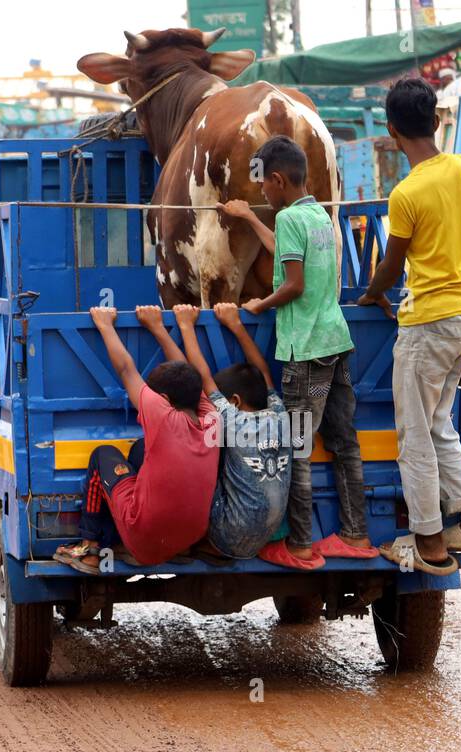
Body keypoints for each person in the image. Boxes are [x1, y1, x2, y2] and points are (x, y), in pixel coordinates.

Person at [356, 78, 461, 575]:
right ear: (436, 122)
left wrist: (372, 293)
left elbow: (391, 264)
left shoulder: (406, 193)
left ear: (391, 130)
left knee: (414, 436)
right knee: (438, 424)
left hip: (427, 324)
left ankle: (428, 541)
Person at [217, 135, 377, 570]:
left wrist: (257, 305)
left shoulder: (289, 217)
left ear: (277, 179)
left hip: (305, 352)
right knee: (345, 442)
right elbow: (291, 256)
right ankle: (356, 535)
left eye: (264, 188)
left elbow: (293, 285)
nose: (263, 194)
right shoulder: (318, 215)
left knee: (298, 448)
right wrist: (250, 218)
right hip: (338, 343)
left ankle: (301, 544)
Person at [54, 306, 219, 572]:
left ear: (163, 401)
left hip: (142, 537)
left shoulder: (163, 417)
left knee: (103, 454)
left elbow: (126, 370)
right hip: (190, 537)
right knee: (143, 449)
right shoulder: (212, 417)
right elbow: (187, 373)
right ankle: (178, 548)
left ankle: (90, 549)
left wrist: (105, 324)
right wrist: (157, 328)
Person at [167, 301, 292, 562]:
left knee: (201, 461)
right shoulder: (281, 415)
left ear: (234, 401)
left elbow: (200, 378)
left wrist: (185, 324)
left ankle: (197, 543)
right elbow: (265, 374)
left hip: (227, 536)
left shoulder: (233, 420)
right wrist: (236, 325)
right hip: (264, 537)